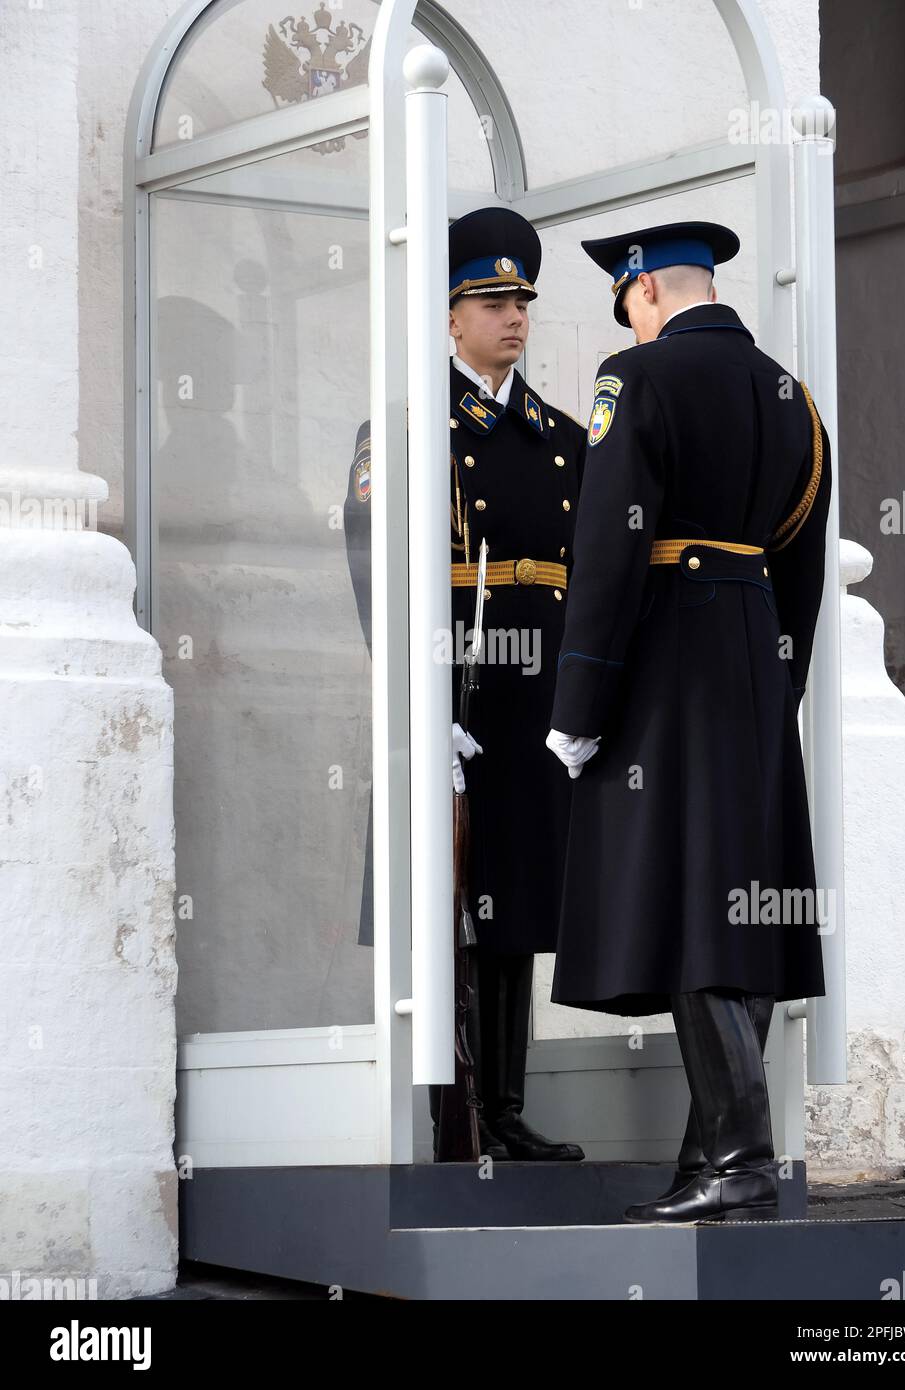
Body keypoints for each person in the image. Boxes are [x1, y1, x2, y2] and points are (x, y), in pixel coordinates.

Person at [545, 220, 832, 1220]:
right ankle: (710, 1156)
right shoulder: (795, 399)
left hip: (667, 666)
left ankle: (740, 1159)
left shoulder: (639, 379)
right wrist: (776, 685)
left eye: (627, 303)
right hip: (753, 661)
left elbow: (609, 548)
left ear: (646, 293)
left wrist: (579, 702)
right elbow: (801, 569)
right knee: (739, 903)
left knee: (688, 902)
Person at [345, 207, 587, 1161]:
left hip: (533, 701)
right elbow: (374, 567)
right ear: (449, 316)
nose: (512, 317)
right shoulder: (406, 423)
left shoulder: (564, 438)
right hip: (451, 690)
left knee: (515, 901)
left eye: (520, 300)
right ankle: (439, 1108)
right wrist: (415, 703)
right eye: (490, 301)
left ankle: (507, 1110)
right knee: (436, 899)